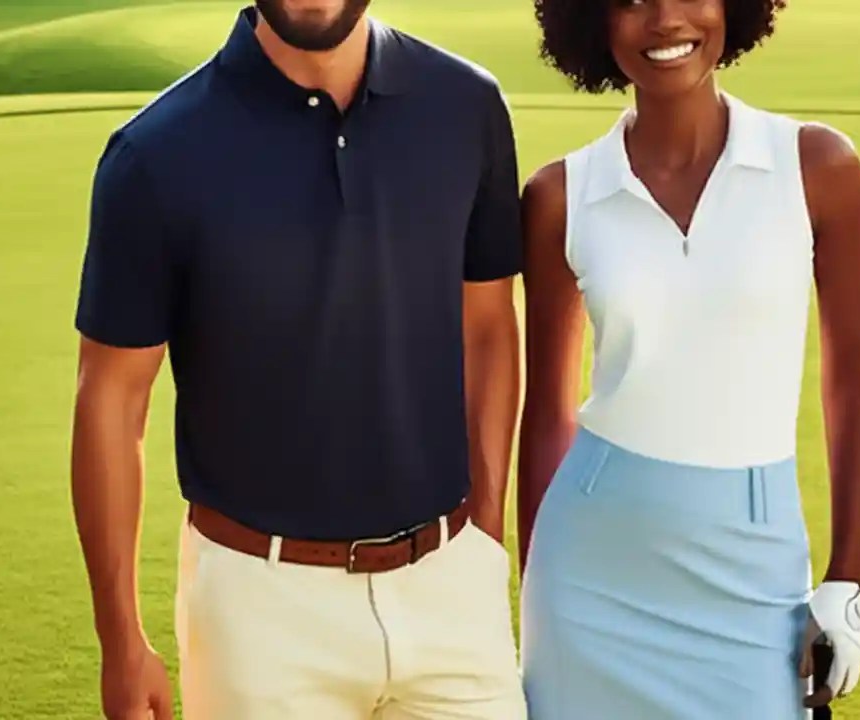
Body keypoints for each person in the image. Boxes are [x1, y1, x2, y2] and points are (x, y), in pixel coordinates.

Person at [69, 1, 527, 718]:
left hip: (450, 593)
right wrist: (120, 638)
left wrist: (484, 537)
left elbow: (489, 328)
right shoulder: (153, 155)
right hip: (259, 616)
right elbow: (111, 401)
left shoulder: (467, 105)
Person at [516, 0, 860, 717]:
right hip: (589, 575)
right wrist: (531, 590)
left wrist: (847, 575)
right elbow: (548, 413)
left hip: (755, 568)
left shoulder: (816, 166)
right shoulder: (562, 196)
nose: (664, 20)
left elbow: (847, 380)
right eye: (630, 0)